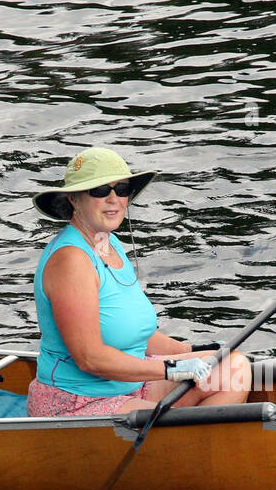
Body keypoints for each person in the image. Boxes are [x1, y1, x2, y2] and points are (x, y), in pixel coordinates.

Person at [28, 147, 251, 417]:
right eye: (99, 191)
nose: (113, 199)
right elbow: (90, 358)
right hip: (78, 401)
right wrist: (171, 368)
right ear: (74, 199)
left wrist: (192, 350)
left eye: (121, 189)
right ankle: (199, 450)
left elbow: (133, 333)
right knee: (182, 424)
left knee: (233, 367)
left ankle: (203, 449)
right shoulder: (71, 260)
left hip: (131, 385)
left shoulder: (111, 243)